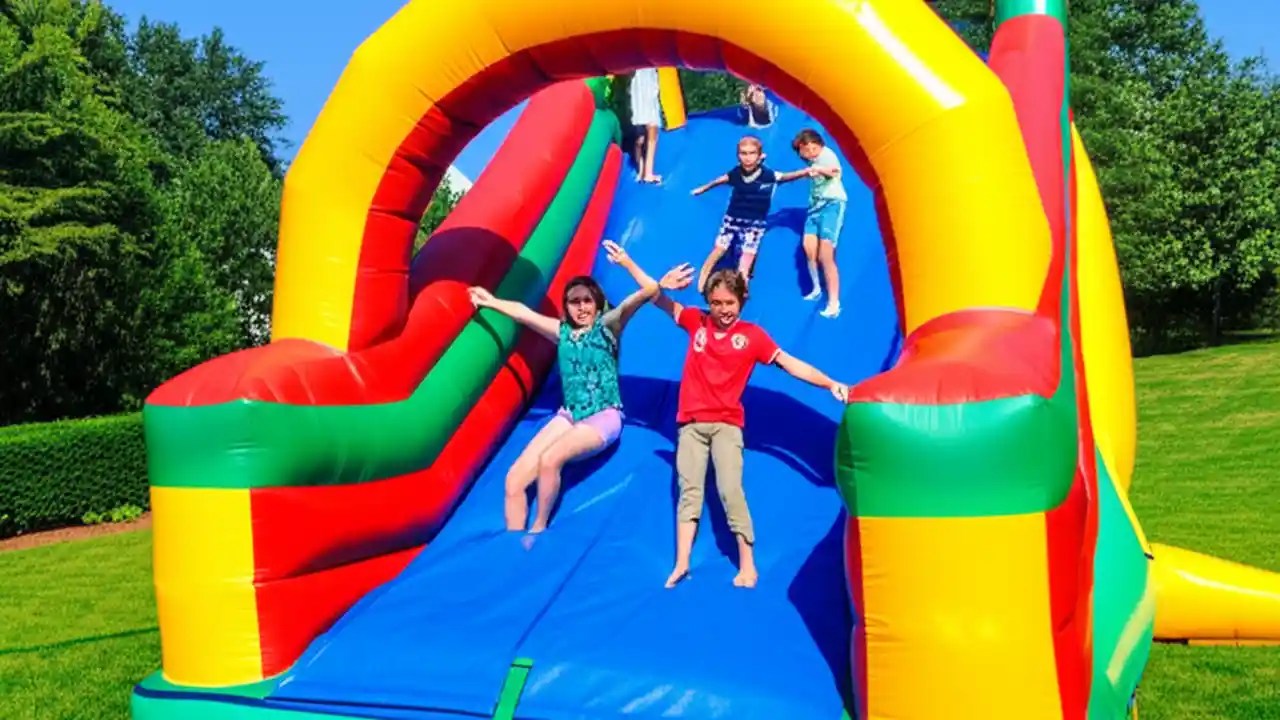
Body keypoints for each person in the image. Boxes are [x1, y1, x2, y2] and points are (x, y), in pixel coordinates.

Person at [646, 268, 849, 589]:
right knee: (689, 491)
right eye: (716, 303)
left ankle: (747, 563)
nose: (723, 310)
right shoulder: (697, 322)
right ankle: (682, 561)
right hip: (691, 424)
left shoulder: (752, 336)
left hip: (726, 424)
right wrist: (649, 276)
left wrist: (829, 383)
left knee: (730, 489)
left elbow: (790, 363)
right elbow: (656, 299)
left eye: (729, 302)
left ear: (741, 300)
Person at [468, 245, 693, 533]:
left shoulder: (608, 327)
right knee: (513, 481)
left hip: (604, 416)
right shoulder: (562, 333)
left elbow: (645, 293)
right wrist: (490, 301)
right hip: (570, 415)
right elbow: (523, 314)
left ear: (598, 305)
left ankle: (538, 530)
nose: (582, 307)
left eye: (587, 301)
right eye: (575, 302)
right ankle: (513, 541)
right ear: (567, 307)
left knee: (550, 460)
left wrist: (634, 267)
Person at [690, 136, 808, 292]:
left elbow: (788, 176)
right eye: (743, 153)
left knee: (746, 261)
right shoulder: (736, 173)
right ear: (738, 156)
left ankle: (742, 290)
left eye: (752, 153)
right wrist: (703, 188)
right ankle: (702, 280)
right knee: (718, 250)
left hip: (754, 224)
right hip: (732, 220)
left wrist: (807, 172)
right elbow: (721, 180)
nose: (747, 158)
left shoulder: (769, 176)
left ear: (760, 156)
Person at [793, 128, 848, 318]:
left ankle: (834, 303)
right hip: (814, 208)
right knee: (809, 248)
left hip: (832, 205)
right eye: (805, 150)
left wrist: (817, 170)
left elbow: (834, 171)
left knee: (826, 255)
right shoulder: (810, 160)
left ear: (819, 145)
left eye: (813, 148)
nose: (810, 153)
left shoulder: (826, 155)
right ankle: (816, 288)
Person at [630, 68, 663, 184]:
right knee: (643, 137)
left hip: (645, 85)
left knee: (649, 131)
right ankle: (643, 171)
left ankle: (645, 172)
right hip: (641, 87)